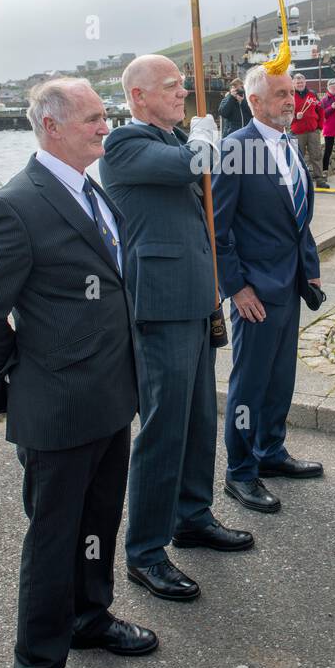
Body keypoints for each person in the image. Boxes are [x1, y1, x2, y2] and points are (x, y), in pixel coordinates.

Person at [0, 78, 155, 668]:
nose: (107, 127)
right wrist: (25, 370)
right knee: (53, 539)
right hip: (58, 409)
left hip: (110, 396)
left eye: (107, 116)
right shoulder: (17, 206)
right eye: (95, 118)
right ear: (51, 127)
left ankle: (89, 619)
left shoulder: (90, 186)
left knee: (100, 517)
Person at [100, 55, 253, 604]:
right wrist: (205, 141)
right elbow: (193, 167)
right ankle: (144, 551)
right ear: (137, 96)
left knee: (198, 417)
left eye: (182, 84)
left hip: (195, 298)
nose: (183, 91)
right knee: (164, 426)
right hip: (160, 303)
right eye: (170, 86)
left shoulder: (177, 139)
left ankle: (192, 515)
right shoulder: (124, 144)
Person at [212, 66, 325, 515]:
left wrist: (310, 270)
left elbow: (299, 220)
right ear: (254, 102)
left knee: (281, 378)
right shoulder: (235, 149)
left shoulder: (289, 144)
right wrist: (236, 288)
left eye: (290, 93)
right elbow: (217, 228)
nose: (289, 100)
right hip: (255, 291)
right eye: (279, 94)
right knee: (250, 382)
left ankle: (271, 452)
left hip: (289, 283)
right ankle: (240, 472)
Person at [290, 72, 328, 186]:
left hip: (313, 131)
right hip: (297, 131)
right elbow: (285, 114)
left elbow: (320, 110)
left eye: (301, 82)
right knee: (298, 157)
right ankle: (299, 180)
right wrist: (295, 117)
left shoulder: (312, 95)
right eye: (297, 82)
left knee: (316, 155)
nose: (300, 84)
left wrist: (319, 127)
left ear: (305, 82)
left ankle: (319, 179)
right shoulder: (290, 96)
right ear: (293, 83)